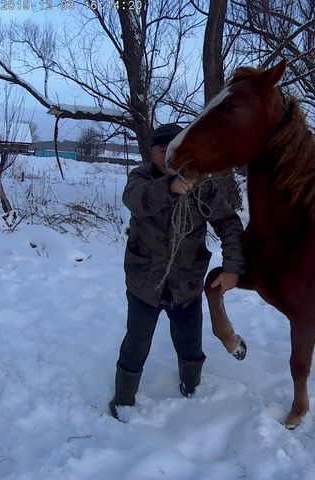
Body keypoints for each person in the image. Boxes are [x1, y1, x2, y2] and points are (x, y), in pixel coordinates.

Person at [109, 123, 245, 419]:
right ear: (153, 152)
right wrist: (170, 186)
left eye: (178, 152)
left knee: (189, 342)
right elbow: (136, 201)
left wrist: (233, 266)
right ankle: (123, 399)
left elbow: (230, 224)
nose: (170, 158)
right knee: (137, 341)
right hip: (145, 281)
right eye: (163, 151)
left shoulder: (204, 186)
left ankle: (192, 388)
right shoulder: (141, 177)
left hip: (186, 283)